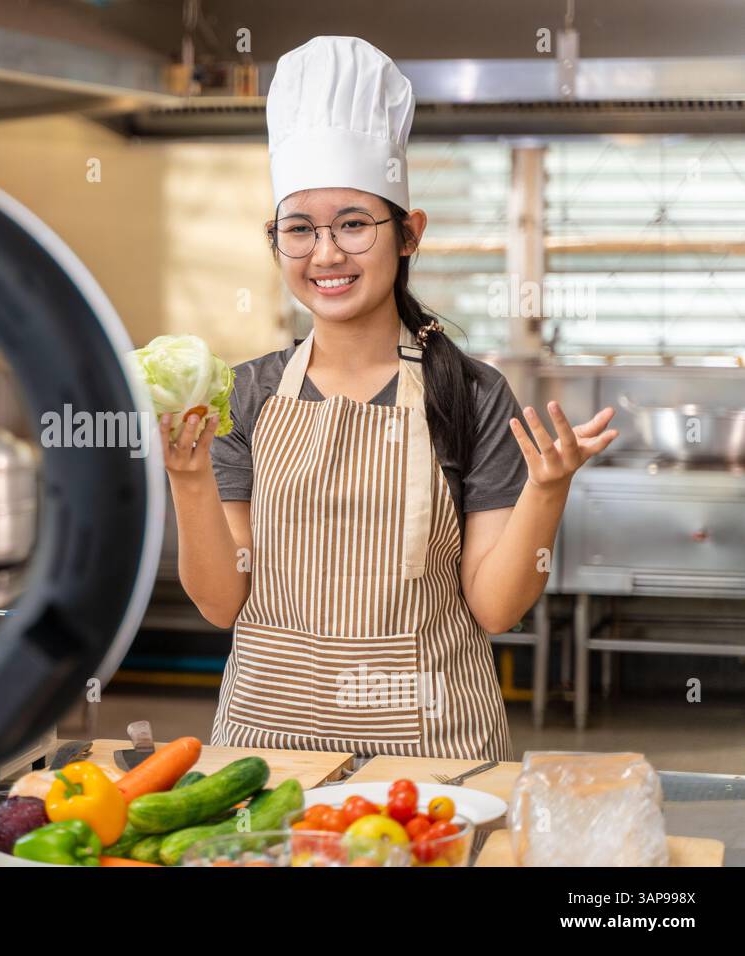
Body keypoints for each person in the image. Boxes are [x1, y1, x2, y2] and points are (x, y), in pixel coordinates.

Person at [162, 36, 618, 760]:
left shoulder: (471, 393)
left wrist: (547, 490)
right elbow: (223, 601)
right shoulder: (242, 393)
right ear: (275, 243)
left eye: (352, 224)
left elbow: (496, 607)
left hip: (434, 759)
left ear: (409, 234)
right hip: (268, 756)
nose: (326, 254)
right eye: (299, 229)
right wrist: (187, 479)